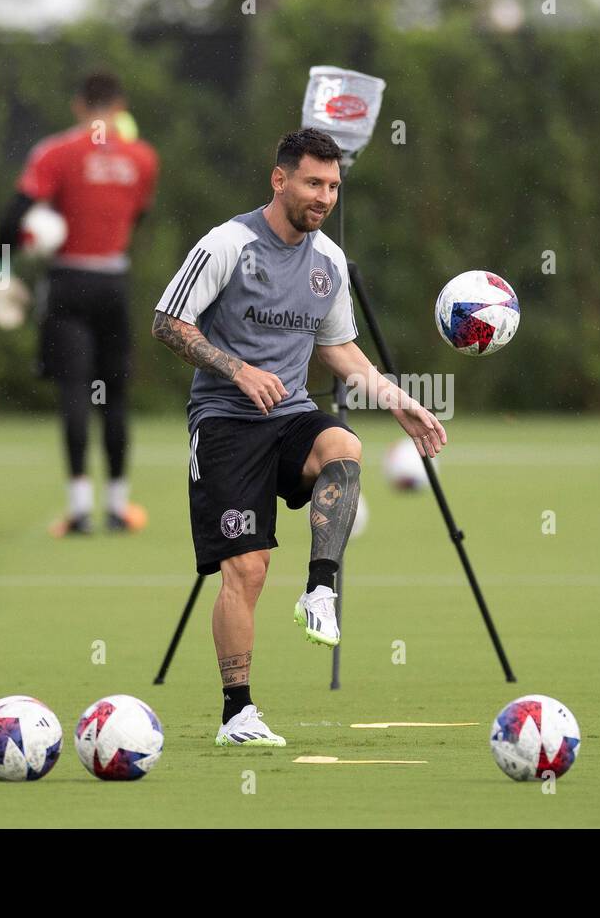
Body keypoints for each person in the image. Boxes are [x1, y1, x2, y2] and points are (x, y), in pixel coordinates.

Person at [151, 127, 447, 747]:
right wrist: (236, 368)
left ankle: (320, 588)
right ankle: (238, 714)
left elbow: (339, 348)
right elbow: (166, 321)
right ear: (279, 179)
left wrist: (400, 403)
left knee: (344, 446)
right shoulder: (227, 244)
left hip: (290, 417)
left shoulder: (329, 262)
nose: (325, 196)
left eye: (334, 185)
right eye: (314, 183)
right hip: (225, 424)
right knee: (247, 571)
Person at [0, 71, 158, 536]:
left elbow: (12, 219)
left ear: (78, 105)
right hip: (113, 282)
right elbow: (138, 217)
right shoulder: (143, 158)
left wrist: (1, 271)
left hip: (68, 282)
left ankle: (79, 510)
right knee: (116, 397)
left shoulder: (56, 152)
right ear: (121, 105)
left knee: (74, 392)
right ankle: (118, 507)